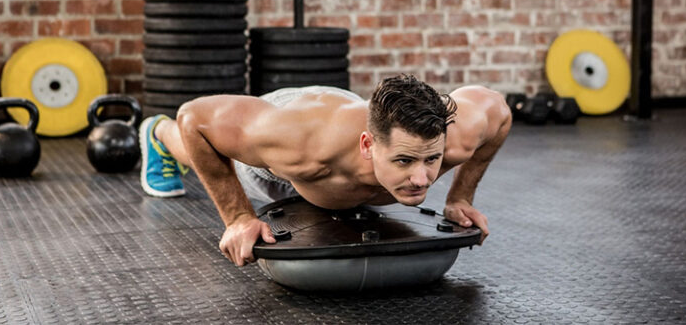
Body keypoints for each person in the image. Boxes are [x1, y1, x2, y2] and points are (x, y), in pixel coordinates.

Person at [139, 74, 511, 266]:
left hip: (342, 121)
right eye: (404, 161)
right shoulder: (298, 145)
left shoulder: (456, 137)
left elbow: (499, 110)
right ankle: (156, 133)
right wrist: (237, 216)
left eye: (431, 160)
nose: (421, 179)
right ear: (368, 146)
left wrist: (460, 197)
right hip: (293, 143)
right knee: (192, 148)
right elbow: (195, 118)